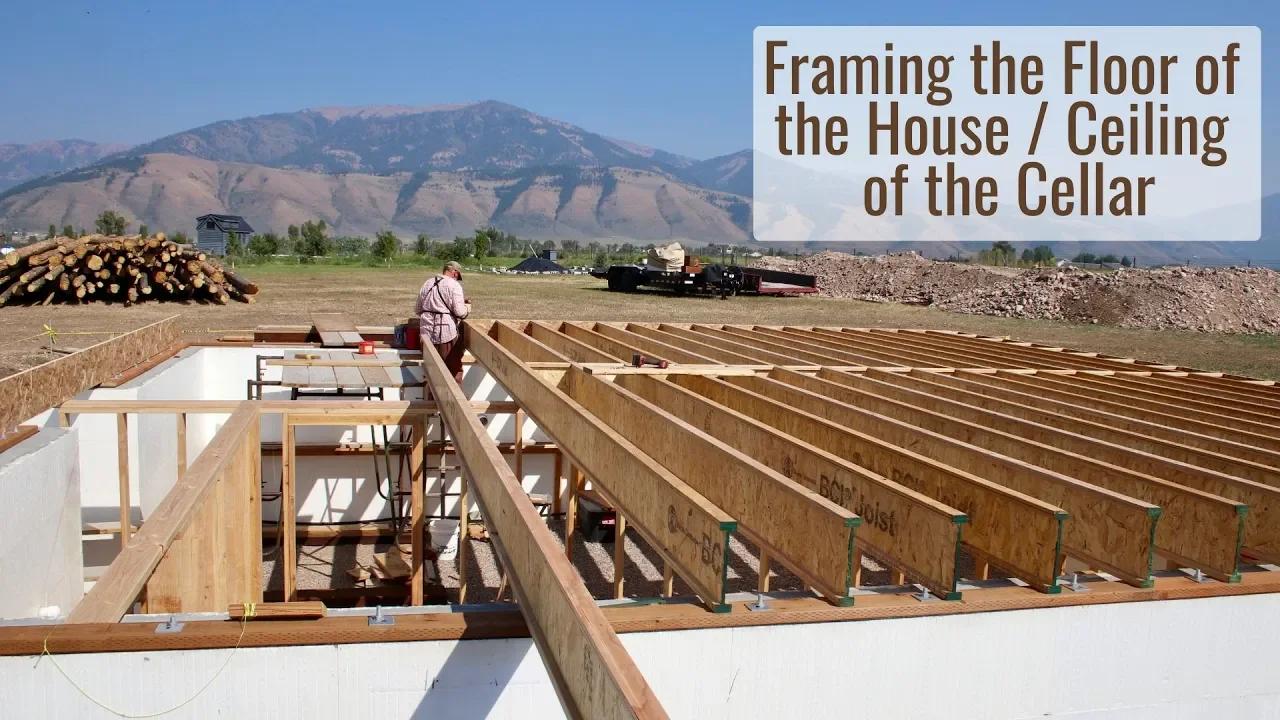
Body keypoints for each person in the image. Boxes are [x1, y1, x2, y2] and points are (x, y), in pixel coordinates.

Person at [417, 260, 470, 384]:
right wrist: (467, 308)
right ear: (455, 273)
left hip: (426, 332)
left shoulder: (427, 283)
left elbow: (418, 309)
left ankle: (430, 400)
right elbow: (460, 312)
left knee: (431, 371)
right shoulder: (454, 285)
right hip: (446, 333)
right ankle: (455, 401)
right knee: (452, 370)